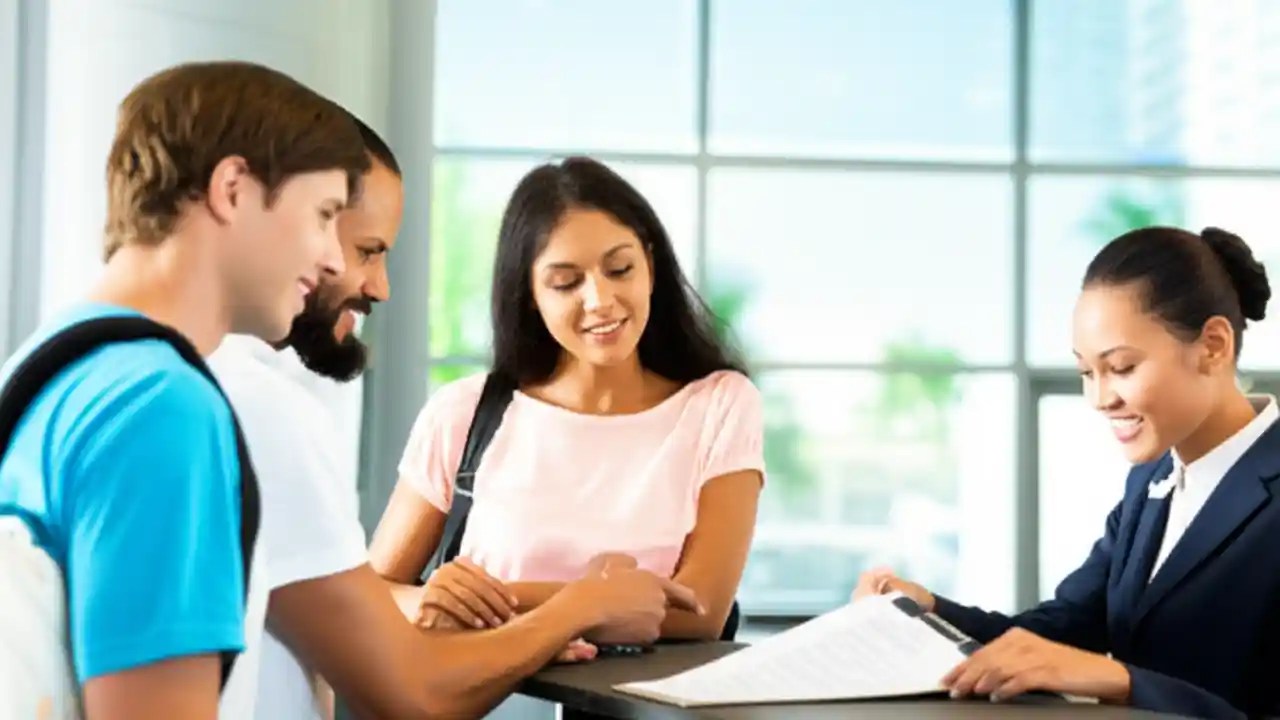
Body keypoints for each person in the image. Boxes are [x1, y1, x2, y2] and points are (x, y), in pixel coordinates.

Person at [209, 123, 699, 720]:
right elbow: (411, 695)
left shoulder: (221, 392)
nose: (382, 287)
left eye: (618, 270)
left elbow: (370, 627)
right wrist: (580, 604)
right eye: (366, 250)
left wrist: (467, 603)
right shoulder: (260, 413)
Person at [0, 61, 370, 720]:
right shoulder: (161, 406)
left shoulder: (48, 370)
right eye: (323, 215)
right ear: (232, 188)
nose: (335, 259)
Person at [855, 226, 1280, 719]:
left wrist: (1122, 681)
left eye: (1120, 367)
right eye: (1086, 373)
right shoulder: (1152, 484)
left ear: (1212, 345)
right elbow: (1059, 631)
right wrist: (928, 609)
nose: (1100, 399)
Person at [368, 156, 766, 643]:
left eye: (620, 269)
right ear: (531, 294)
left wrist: (492, 602)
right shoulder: (464, 414)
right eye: (565, 283)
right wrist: (428, 599)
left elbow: (700, 611)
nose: (600, 299)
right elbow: (371, 594)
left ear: (650, 264)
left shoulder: (720, 406)